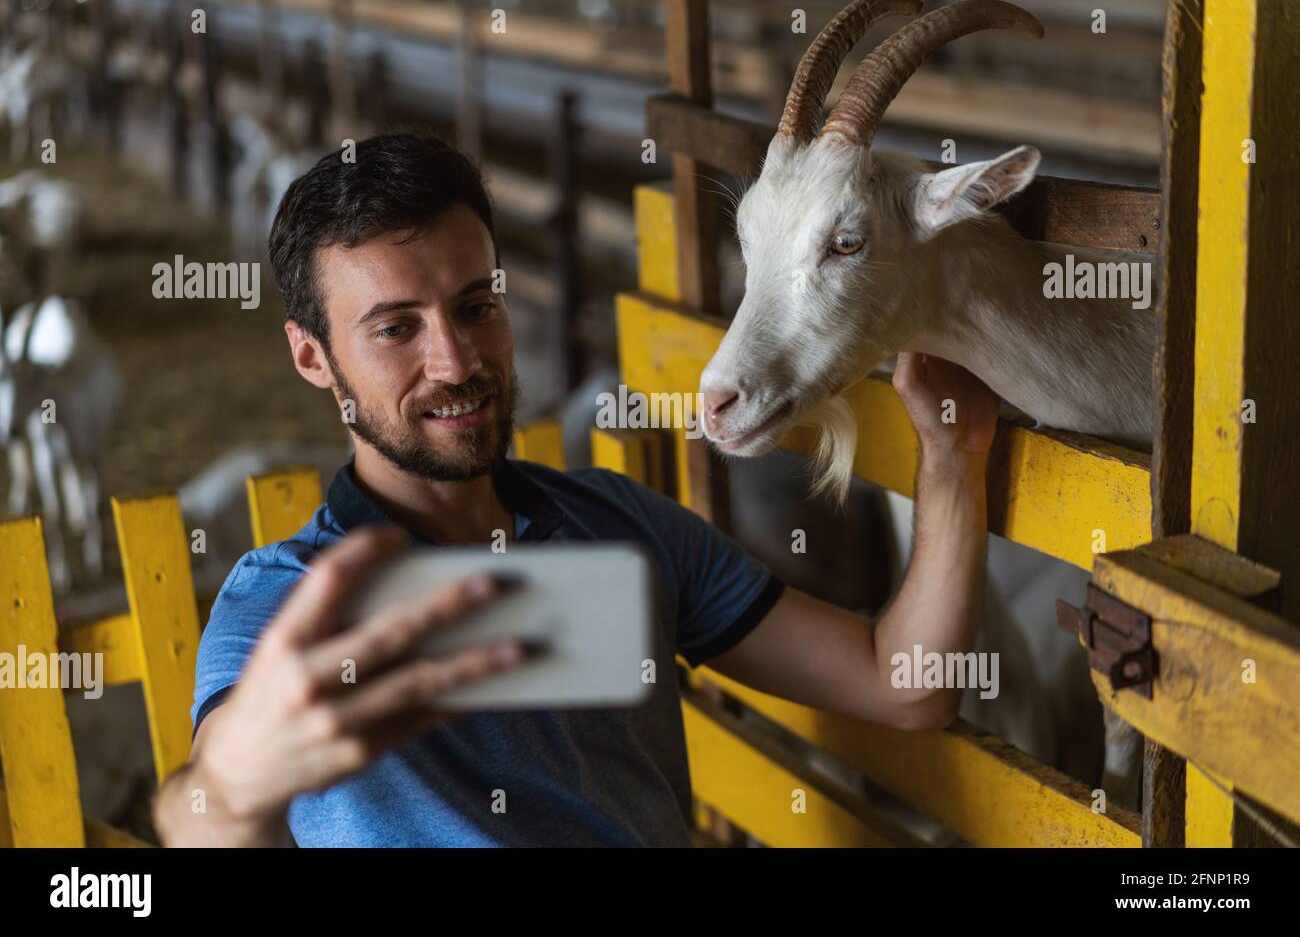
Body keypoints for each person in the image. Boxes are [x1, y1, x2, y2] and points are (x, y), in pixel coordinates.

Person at [152, 131, 1000, 846]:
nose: (456, 362)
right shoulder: (287, 600)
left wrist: (952, 460)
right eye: (396, 329)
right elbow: (198, 816)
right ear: (312, 358)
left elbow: (906, 686)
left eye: (476, 305)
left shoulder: (620, 530)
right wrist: (232, 788)